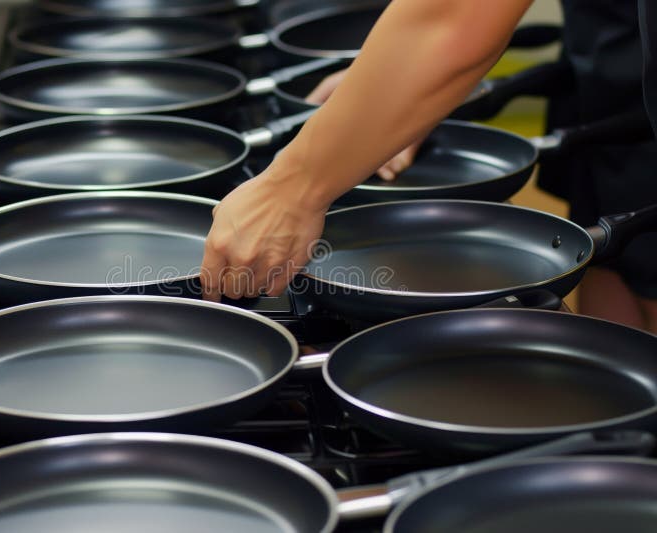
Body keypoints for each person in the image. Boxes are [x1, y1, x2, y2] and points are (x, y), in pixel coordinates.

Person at [200, 0, 657, 332]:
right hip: (616, 40)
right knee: (624, 262)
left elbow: (454, 17)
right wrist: (393, 91)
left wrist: (290, 188)